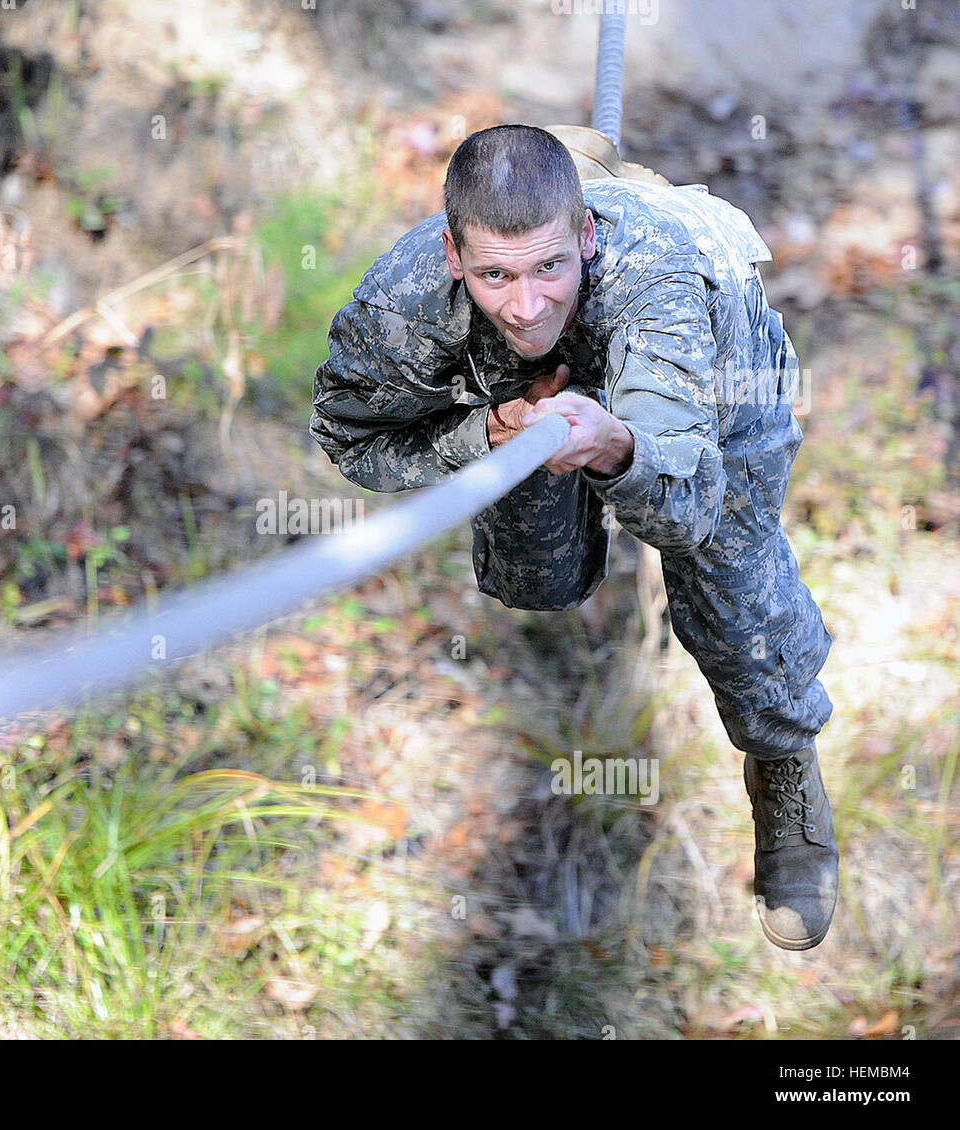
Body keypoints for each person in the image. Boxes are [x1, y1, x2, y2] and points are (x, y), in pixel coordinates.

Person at [309, 124, 838, 951]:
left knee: (727, 579)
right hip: (532, 394)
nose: (525, 304)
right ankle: (581, 177)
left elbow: (688, 502)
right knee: (539, 582)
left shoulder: (661, 284)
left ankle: (783, 763)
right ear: (454, 257)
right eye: (495, 275)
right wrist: (486, 432)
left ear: (586, 237)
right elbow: (348, 435)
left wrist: (616, 445)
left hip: (712, 385)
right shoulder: (402, 303)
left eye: (549, 265)